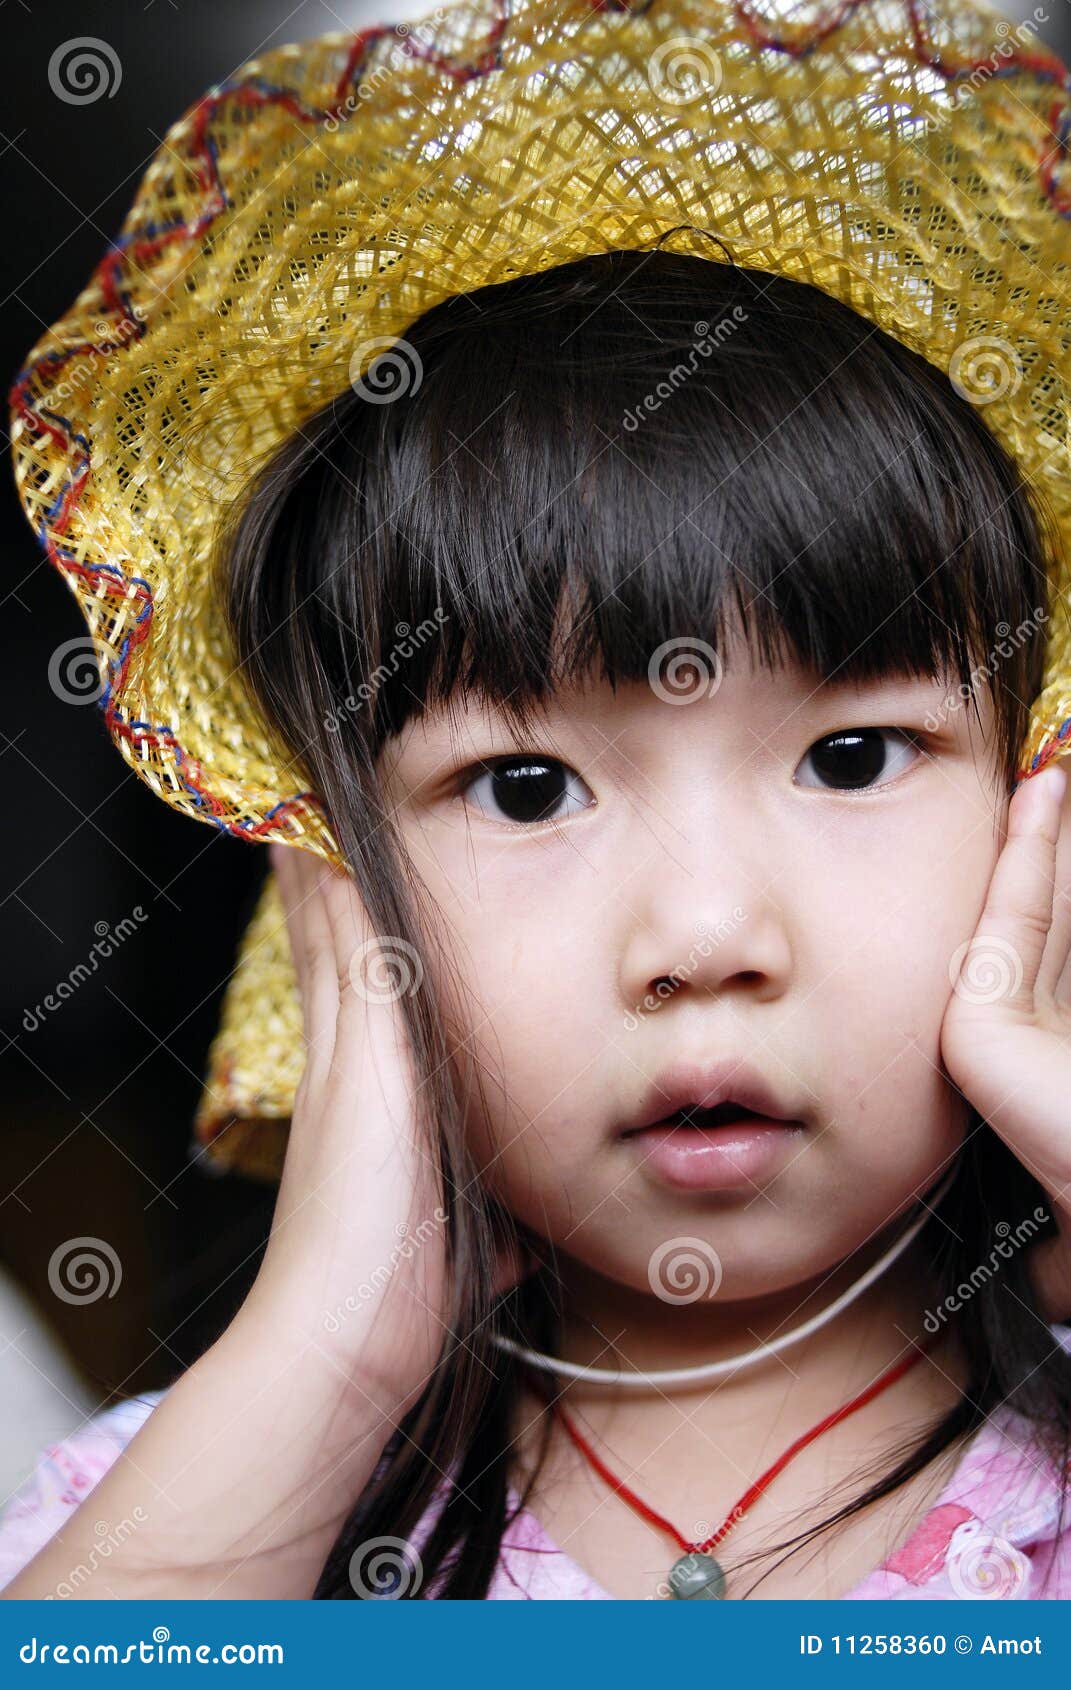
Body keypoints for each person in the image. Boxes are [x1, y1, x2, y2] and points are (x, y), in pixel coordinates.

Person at [5, 0, 1071, 1602]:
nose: (705, 935)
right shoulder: (200, 1503)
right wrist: (330, 1357)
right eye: (523, 785)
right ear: (342, 890)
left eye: (852, 756)